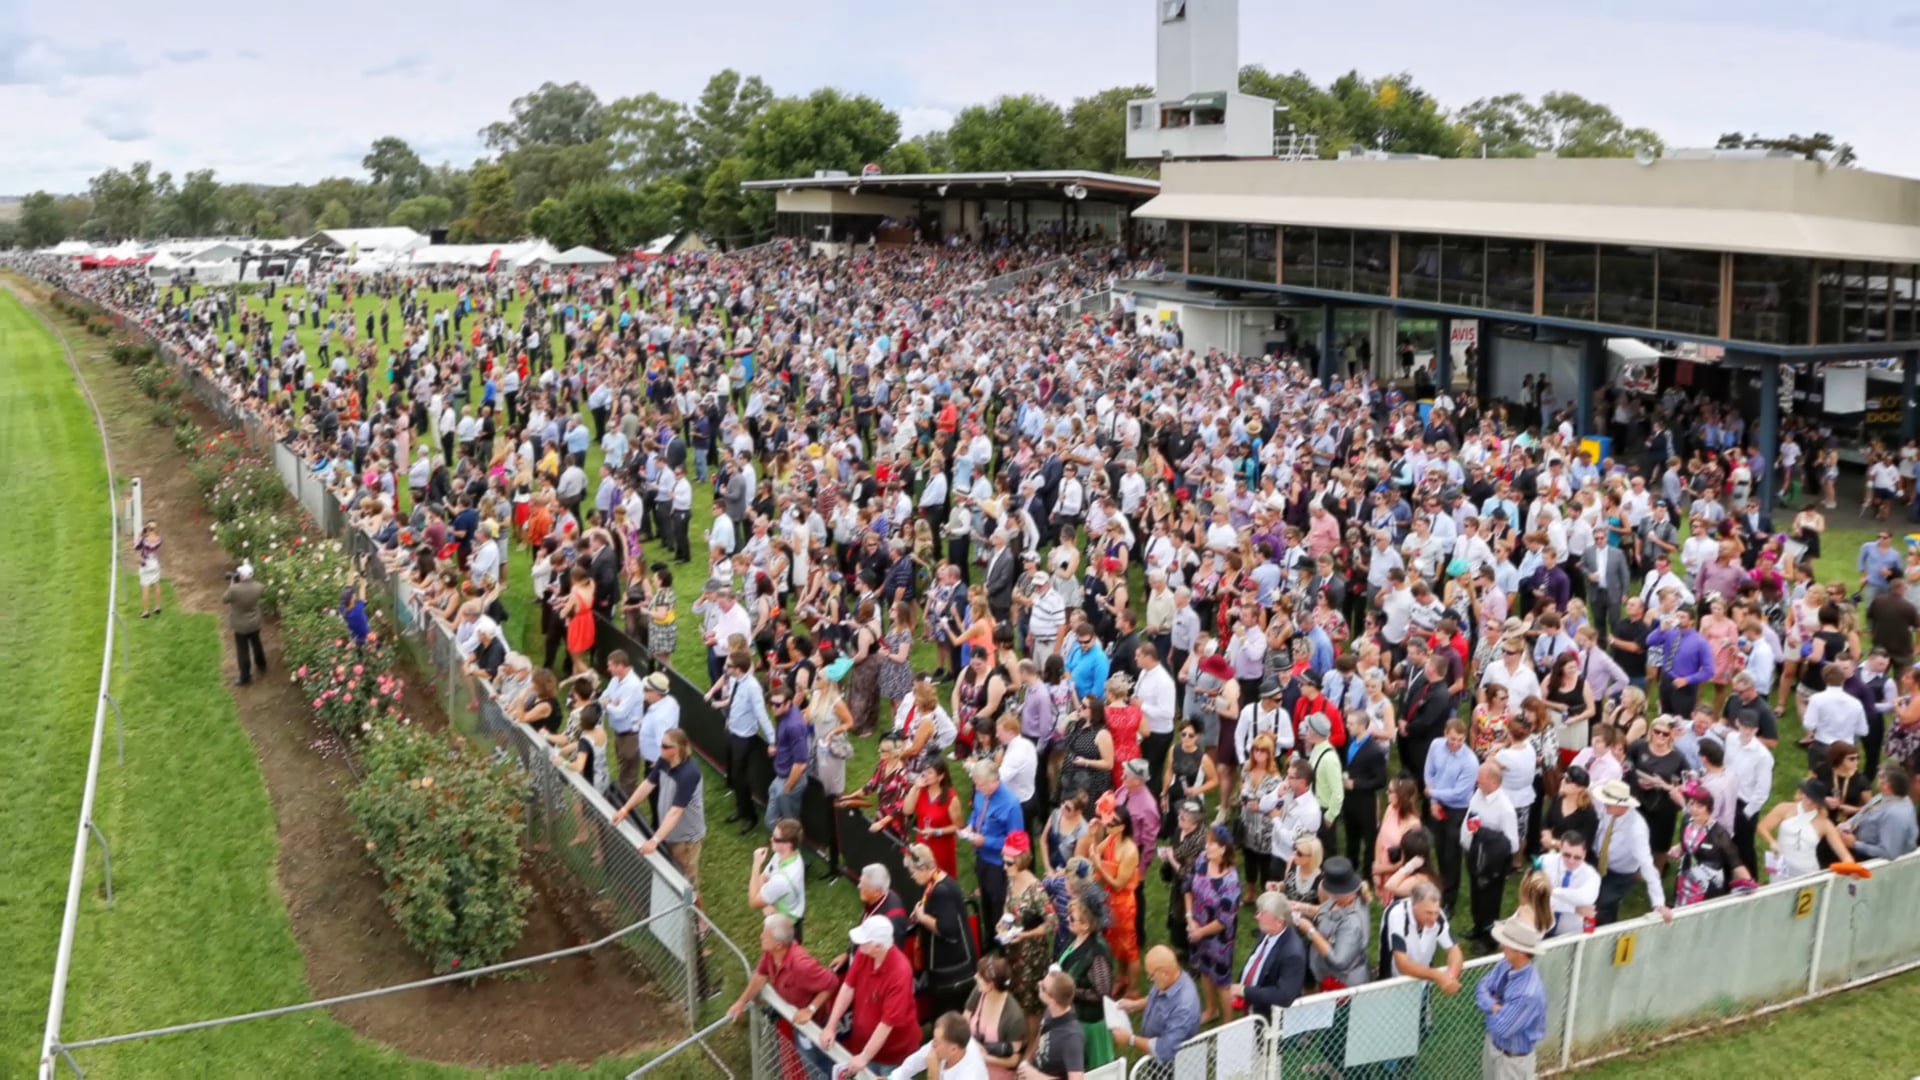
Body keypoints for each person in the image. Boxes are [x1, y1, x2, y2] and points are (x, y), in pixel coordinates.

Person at [819, 915, 922, 1076]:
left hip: (893, 1055)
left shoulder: (900, 972)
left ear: (878, 947)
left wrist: (865, 1056)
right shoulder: (864, 953)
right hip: (863, 1047)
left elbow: (887, 1023)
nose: (858, 945)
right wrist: (831, 1026)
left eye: (864, 941)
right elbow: (847, 988)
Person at [612, 728, 706, 891]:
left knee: (687, 885)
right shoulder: (664, 761)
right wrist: (625, 809)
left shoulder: (689, 774)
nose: (660, 748)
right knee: (672, 878)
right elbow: (647, 785)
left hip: (686, 840)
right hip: (670, 833)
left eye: (665, 746)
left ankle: (699, 916)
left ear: (677, 749)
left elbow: (676, 812)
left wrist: (655, 840)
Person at [726, 913, 837, 1027]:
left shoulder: (802, 966)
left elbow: (832, 982)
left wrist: (810, 1009)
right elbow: (760, 975)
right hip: (792, 1012)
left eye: (765, 935)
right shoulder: (771, 953)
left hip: (814, 1023)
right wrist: (741, 1002)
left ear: (779, 945)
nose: (761, 936)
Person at [907, 841, 977, 1021]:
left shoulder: (941, 891)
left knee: (950, 1020)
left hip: (953, 973)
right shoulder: (937, 881)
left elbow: (947, 929)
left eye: (912, 872)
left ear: (923, 867)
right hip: (954, 966)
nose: (912, 877)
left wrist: (922, 917)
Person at [1476, 916, 1551, 1079]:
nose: (1502, 945)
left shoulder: (1528, 993)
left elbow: (1502, 1028)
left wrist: (1488, 1005)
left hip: (1513, 1063)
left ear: (1521, 952)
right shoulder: (1505, 964)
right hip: (1493, 1048)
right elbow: (1481, 987)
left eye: (1507, 943)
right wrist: (1494, 1007)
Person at [1590, 779, 1673, 925]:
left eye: (1608, 802)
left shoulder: (1636, 830)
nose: (1604, 805)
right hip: (1597, 862)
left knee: (1599, 905)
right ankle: (1610, 923)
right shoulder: (1609, 811)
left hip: (1619, 874)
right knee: (1600, 902)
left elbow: (1647, 864)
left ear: (1621, 804)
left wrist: (1659, 902)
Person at [1184, 824, 1241, 1023]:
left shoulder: (1230, 881)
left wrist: (1200, 932)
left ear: (1224, 848)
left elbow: (1225, 920)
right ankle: (1210, 1010)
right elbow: (1188, 886)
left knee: (1222, 982)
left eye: (1212, 844)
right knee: (1204, 969)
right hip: (1196, 926)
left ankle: (1228, 1025)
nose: (1207, 847)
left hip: (1219, 939)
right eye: (1207, 842)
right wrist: (1190, 917)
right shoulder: (1202, 860)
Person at [1108, 945, 1202, 1065]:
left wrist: (1130, 1039)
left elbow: (1164, 1050)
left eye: (1151, 975)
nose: (1150, 979)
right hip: (1156, 1056)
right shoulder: (1170, 980)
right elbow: (1158, 999)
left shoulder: (1184, 1008)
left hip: (1173, 1065)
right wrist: (1136, 1005)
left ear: (1165, 973)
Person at [963, 758, 1025, 936]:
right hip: (981, 858)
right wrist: (970, 825)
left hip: (999, 865)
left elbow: (1016, 842)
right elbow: (976, 812)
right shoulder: (981, 792)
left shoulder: (1011, 805)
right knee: (986, 902)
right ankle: (989, 939)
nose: (978, 789)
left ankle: (1003, 946)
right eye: (976, 784)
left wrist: (986, 842)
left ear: (994, 781)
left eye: (981, 785)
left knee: (999, 905)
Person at [1054, 897, 1117, 1069]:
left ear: (1086, 925)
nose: (1068, 919)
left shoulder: (1097, 953)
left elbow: (1101, 992)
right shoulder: (1074, 938)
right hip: (1074, 1016)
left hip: (1090, 1023)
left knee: (1093, 1068)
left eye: (1072, 917)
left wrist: (1069, 990)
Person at [1296, 856, 1371, 991]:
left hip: (1342, 985)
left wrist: (1311, 931)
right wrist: (1299, 907)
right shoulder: (1342, 899)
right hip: (1327, 975)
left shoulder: (1352, 924)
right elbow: (1326, 911)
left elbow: (1339, 961)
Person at [1378, 880, 1464, 991]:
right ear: (1414, 905)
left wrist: (1451, 977)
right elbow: (1402, 965)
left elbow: (1454, 950)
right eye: (1428, 913)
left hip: (1424, 978)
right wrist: (1438, 976)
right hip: (1392, 982)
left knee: (1423, 1006)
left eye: (1436, 912)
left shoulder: (1438, 916)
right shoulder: (1397, 915)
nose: (1434, 918)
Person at [1758, 778, 1851, 880]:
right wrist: (1772, 842)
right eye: (1807, 797)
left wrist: (1853, 869)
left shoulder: (1825, 824)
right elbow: (1762, 826)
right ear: (1802, 794)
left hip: (1806, 872)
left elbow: (1843, 854)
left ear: (1819, 803)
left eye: (1813, 801)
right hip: (1781, 865)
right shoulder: (1784, 808)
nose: (1809, 802)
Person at [1233, 891, 1308, 1015]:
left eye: (1263, 914)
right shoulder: (1268, 931)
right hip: (1254, 1004)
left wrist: (1244, 991)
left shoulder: (1292, 954)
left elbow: (1284, 996)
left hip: (1270, 1020)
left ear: (1279, 921)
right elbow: (1255, 959)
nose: (1256, 916)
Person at [962, 957, 1026, 1080]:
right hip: (972, 1068)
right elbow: (964, 1020)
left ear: (991, 985)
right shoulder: (979, 992)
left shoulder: (1014, 1017)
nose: (975, 977)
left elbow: (1014, 1059)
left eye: (980, 976)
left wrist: (985, 1058)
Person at [1842, 763, 1919, 859]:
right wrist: (1848, 825)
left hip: (1871, 859)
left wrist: (1854, 844)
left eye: (1879, 778)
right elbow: (1864, 813)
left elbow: (1889, 853)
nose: (1876, 781)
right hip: (1854, 840)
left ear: (1887, 786)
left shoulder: (1894, 815)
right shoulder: (1884, 797)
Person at [748, 818, 808, 941]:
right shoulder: (787, 854)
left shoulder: (783, 879)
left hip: (785, 931)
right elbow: (764, 877)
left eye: (775, 838)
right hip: (782, 920)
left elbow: (753, 901)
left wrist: (756, 865)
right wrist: (766, 904)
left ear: (787, 844)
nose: (771, 839)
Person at [1020, 972, 1086, 1080]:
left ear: (1053, 1001)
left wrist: (1037, 1076)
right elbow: (1041, 1037)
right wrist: (1027, 1061)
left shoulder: (1072, 1038)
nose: (1039, 984)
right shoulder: (1051, 1011)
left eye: (1043, 987)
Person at [890, 1010, 990, 1080]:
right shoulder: (947, 1043)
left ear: (953, 1049)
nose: (932, 1044)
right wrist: (892, 1078)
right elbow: (915, 1061)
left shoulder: (971, 1075)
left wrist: (933, 1075)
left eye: (937, 1042)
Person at [1537, 830, 1601, 937]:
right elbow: (1536, 897)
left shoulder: (1592, 876)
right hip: (1540, 926)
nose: (1571, 861)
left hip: (1569, 933)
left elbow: (1585, 899)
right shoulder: (1544, 862)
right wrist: (1574, 908)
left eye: (1577, 857)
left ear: (1584, 854)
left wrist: (1552, 891)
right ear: (1560, 848)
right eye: (1567, 855)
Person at [222, 561, 267, 687]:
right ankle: (262, 665)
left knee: (243, 651)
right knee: (257, 644)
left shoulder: (234, 589)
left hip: (240, 625)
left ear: (241, 576)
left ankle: (245, 676)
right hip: (255, 622)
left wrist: (231, 584)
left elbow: (224, 599)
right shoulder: (259, 586)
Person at [135, 521, 164, 618]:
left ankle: (145, 612)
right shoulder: (159, 539)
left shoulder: (144, 540)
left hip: (146, 565)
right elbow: (156, 543)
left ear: (147, 529)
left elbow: (136, 546)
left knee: (145, 588)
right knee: (156, 584)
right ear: (155, 529)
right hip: (155, 563)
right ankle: (157, 607)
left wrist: (141, 534)